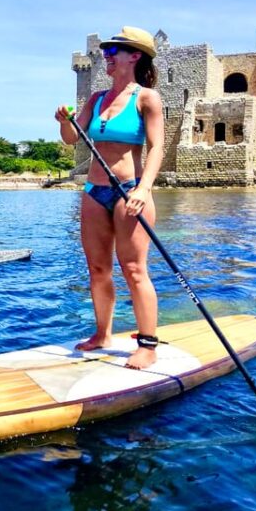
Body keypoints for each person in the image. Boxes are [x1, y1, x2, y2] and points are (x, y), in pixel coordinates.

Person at [54, 26, 165, 369]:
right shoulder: (96, 98)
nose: (106, 56)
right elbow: (73, 138)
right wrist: (63, 121)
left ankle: (147, 345)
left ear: (134, 56)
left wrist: (144, 189)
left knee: (134, 269)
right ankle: (103, 334)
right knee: (98, 269)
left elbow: (157, 146)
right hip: (93, 191)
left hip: (129, 192)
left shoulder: (146, 98)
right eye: (106, 51)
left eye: (113, 51)